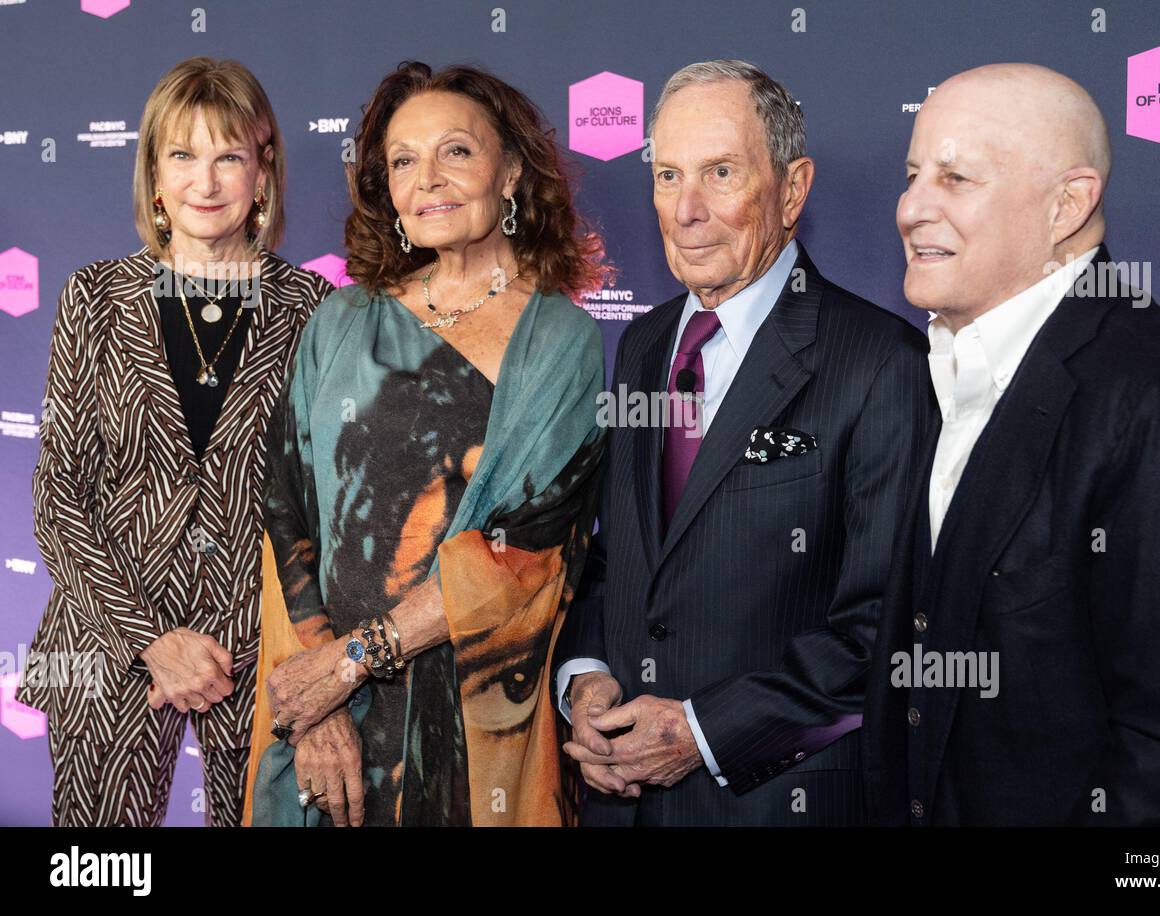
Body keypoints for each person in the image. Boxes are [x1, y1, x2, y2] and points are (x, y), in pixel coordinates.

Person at [863, 62, 1160, 825]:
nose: (910, 207)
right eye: (912, 173)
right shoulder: (948, 370)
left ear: (1068, 203)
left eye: (956, 177)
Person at [555, 59, 934, 826]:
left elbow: (884, 632)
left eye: (720, 173)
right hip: (621, 804)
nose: (685, 210)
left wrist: (700, 732)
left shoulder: (878, 362)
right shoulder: (641, 344)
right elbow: (617, 558)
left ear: (792, 191)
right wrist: (586, 677)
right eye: (667, 176)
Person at [243, 62, 608, 827]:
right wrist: (315, 705)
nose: (427, 179)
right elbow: (286, 511)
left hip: (472, 724)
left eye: (456, 152)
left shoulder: (558, 341)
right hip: (322, 719)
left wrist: (349, 664)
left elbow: (520, 554)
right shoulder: (340, 321)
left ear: (510, 172)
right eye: (403, 161)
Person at [18, 57, 333, 826]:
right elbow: (58, 496)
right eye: (182, 155)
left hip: (256, 652)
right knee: (101, 870)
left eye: (230, 155)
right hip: (108, 635)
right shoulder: (92, 299)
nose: (207, 180)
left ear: (264, 173)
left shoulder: (315, 310)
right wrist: (150, 639)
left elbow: (324, 505)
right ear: (153, 176)